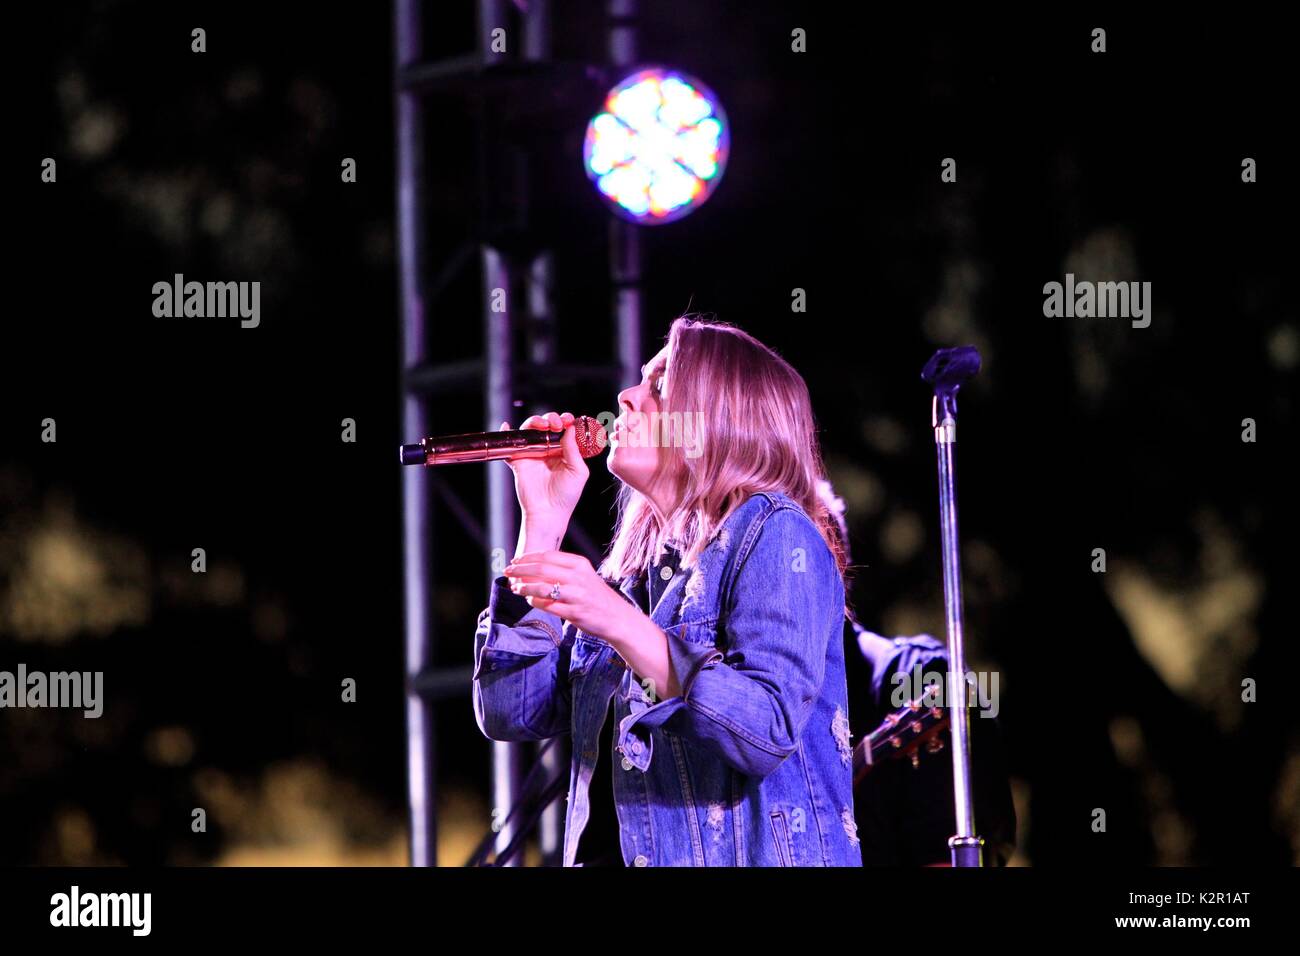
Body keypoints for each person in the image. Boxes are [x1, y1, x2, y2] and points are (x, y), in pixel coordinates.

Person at [471, 316, 862, 866]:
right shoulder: (633, 576)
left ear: (715, 420)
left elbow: (766, 729)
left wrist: (623, 626)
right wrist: (542, 524)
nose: (626, 397)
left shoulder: (775, 531)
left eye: (658, 387)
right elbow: (510, 710)